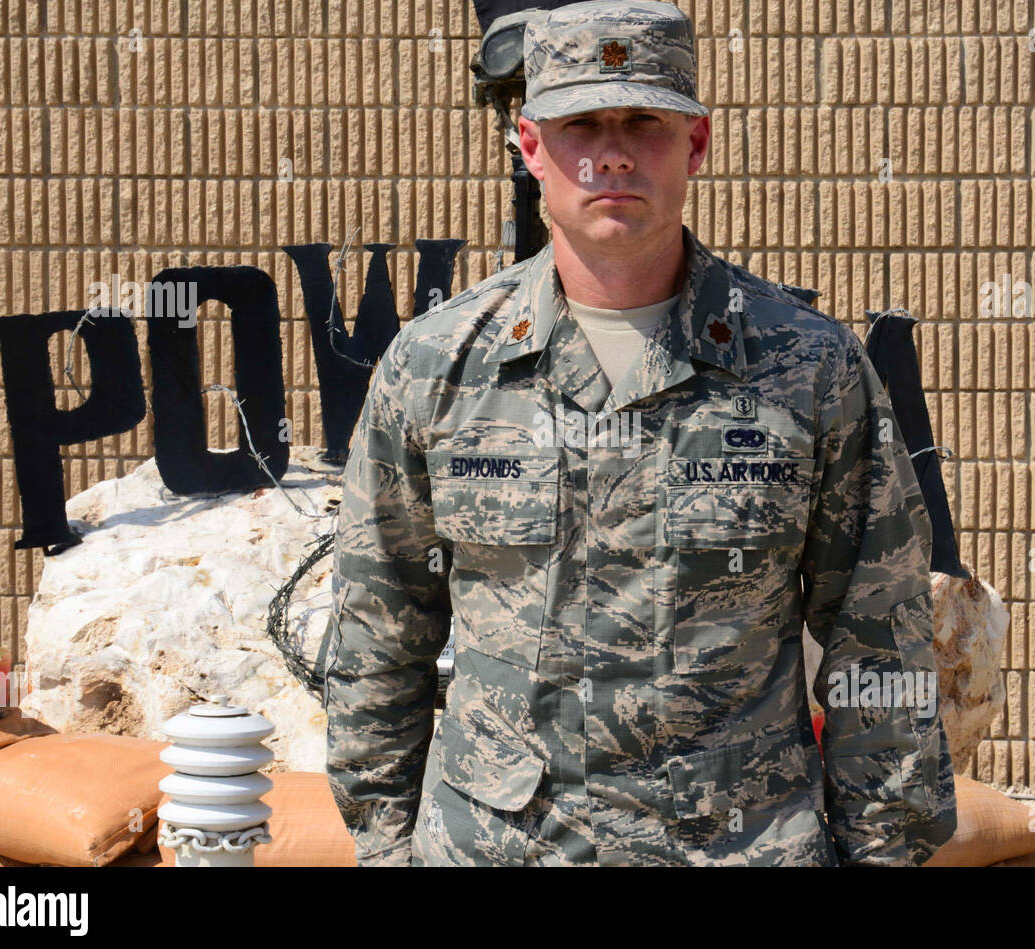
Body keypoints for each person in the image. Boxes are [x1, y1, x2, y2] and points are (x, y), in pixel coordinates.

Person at [324, 0, 956, 866]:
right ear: (530, 144)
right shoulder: (438, 367)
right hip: (498, 847)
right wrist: (386, 848)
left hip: (739, 844)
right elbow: (377, 629)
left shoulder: (809, 368)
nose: (612, 151)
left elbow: (877, 632)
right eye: (581, 122)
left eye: (644, 122)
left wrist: (882, 854)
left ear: (695, 143)